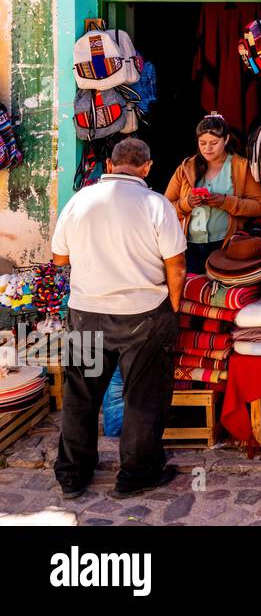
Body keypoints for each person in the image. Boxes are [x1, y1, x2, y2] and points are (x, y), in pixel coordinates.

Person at [50, 137, 186, 500]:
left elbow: (59, 258)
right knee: (143, 397)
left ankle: (72, 474)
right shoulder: (156, 204)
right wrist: (173, 307)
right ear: (147, 167)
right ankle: (136, 474)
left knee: (81, 394)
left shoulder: (79, 201)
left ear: (109, 166)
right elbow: (177, 265)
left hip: (86, 313)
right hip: (142, 317)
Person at [165, 113, 261, 274]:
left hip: (225, 245)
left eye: (214, 143)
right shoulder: (186, 168)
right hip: (188, 246)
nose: (207, 148)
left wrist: (225, 202)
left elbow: (259, 206)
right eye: (202, 143)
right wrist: (187, 203)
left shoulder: (241, 167)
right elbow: (166, 207)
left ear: (226, 140)